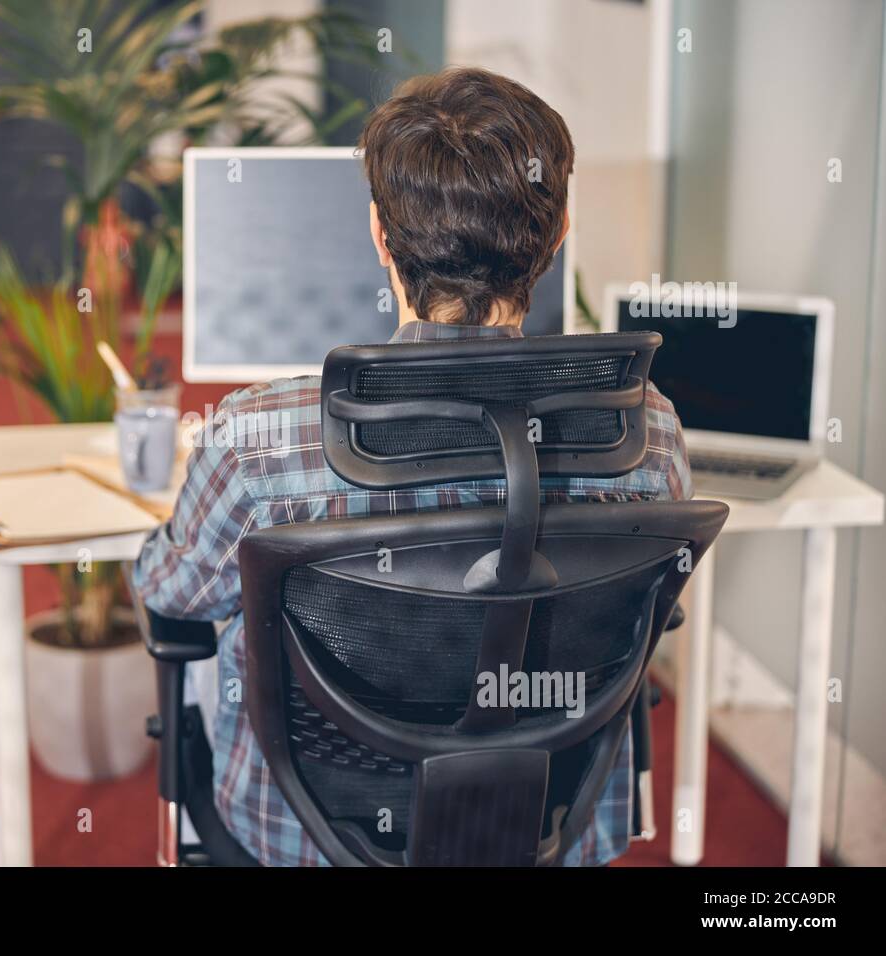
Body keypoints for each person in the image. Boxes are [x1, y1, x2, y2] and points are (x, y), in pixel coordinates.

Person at [132, 66, 692, 866]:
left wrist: (152, 551)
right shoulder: (649, 433)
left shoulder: (256, 440)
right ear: (561, 229)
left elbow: (171, 593)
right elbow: (649, 611)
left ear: (379, 236)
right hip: (544, 824)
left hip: (306, 833)